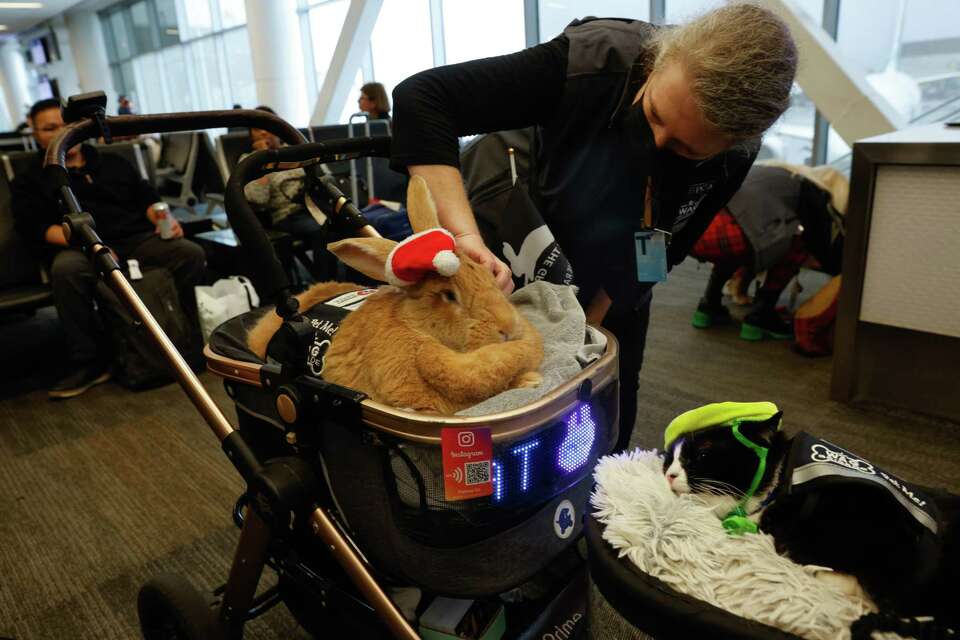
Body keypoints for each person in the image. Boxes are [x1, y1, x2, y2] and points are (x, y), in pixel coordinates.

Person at [391, 5, 798, 451]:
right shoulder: (594, 62)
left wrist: (591, 326)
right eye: (655, 114)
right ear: (659, 60)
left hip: (621, 266)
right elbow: (423, 99)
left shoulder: (736, 155)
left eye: (685, 149)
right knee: (494, 410)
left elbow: (664, 245)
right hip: (516, 243)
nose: (655, 143)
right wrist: (464, 238)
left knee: (608, 408)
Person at [12, 98, 206, 399]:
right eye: (50, 128)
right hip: (80, 246)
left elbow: (147, 199)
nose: (62, 133)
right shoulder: (31, 178)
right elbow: (37, 228)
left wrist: (162, 218)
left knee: (189, 253)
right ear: (35, 134)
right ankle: (89, 360)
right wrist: (91, 245)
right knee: (66, 270)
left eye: (67, 125)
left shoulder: (112, 162)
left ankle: (185, 336)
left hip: (134, 240)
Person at [690, 163, 847, 340]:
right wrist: (843, 272)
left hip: (693, 233)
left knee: (740, 238)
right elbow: (821, 243)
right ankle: (760, 315)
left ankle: (708, 305)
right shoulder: (809, 189)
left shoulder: (772, 171)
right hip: (729, 236)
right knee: (799, 244)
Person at [242, 106, 336, 281]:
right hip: (287, 215)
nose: (263, 132)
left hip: (317, 205)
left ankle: (356, 281)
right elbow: (259, 198)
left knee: (348, 221)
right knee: (322, 228)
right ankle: (327, 284)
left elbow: (327, 177)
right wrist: (262, 159)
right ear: (251, 136)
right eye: (256, 129)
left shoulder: (295, 150)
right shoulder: (248, 161)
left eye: (267, 126)